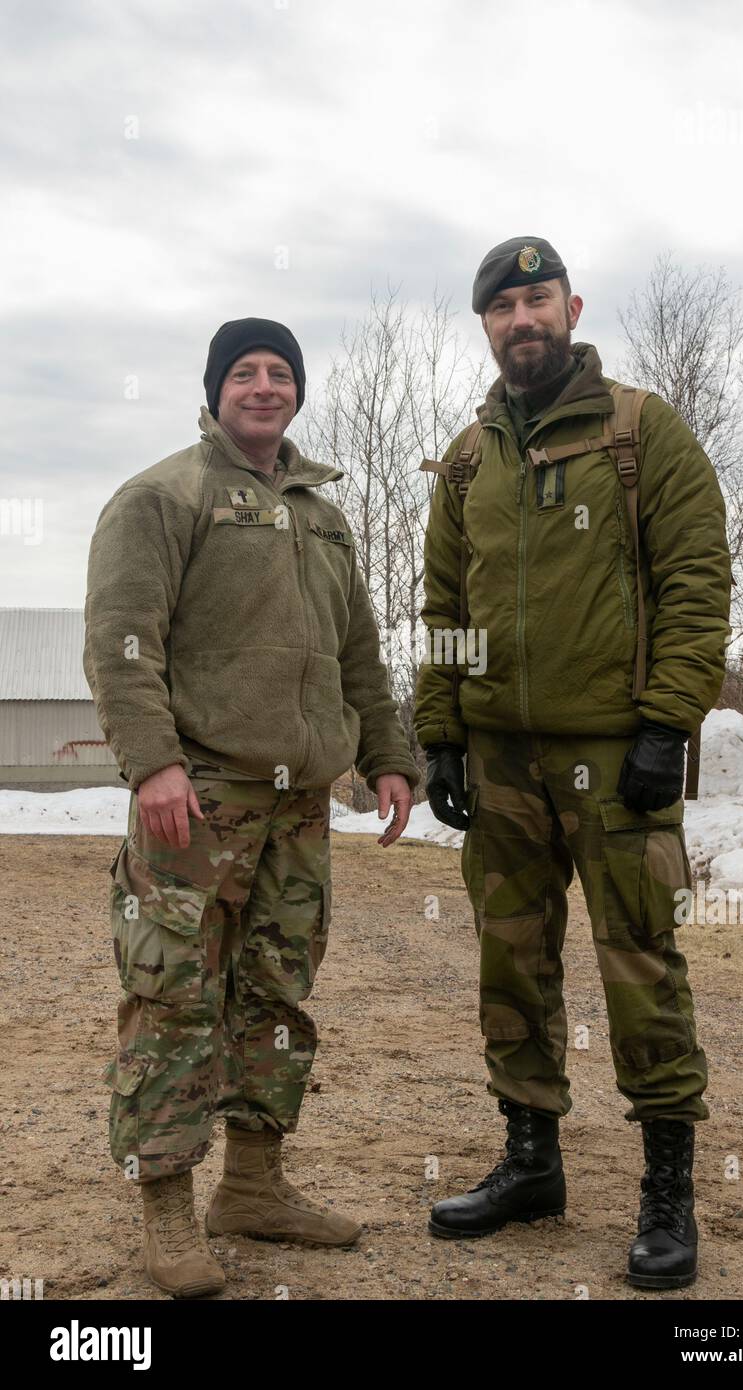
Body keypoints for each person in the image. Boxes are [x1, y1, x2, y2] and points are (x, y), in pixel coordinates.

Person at [414, 238, 731, 1289]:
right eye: (501, 305)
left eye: (535, 298)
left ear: (571, 306)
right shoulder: (466, 461)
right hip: (501, 762)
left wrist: (663, 723)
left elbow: (694, 580)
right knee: (512, 963)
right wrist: (442, 735)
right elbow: (443, 611)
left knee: (639, 964)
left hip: (614, 757)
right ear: (486, 326)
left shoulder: (642, 432)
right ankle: (530, 1160)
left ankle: (665, 1190)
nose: (521, 318)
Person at [84, 317, 418, 1298]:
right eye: (245, 371)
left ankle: (254, 1186)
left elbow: (357, 649)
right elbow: (122, 641)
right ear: (215, 388)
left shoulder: (321, 511)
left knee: (274, 993)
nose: (264, 385)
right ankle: (167, 1210)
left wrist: (390, 753)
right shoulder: (162, 496)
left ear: (298, 390)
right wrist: (151, 764)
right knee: (174, 995)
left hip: (298, 804)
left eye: (280, 371)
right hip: (200, 797)